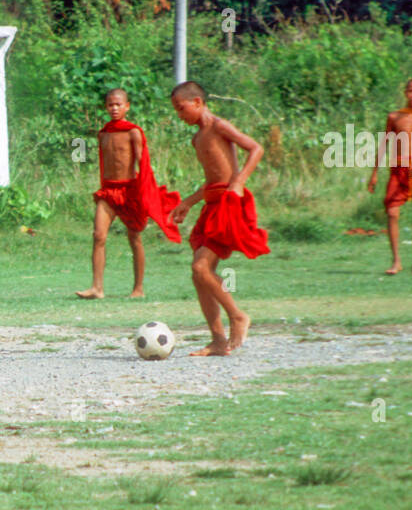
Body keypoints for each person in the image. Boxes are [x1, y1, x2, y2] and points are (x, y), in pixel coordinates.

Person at [168, 80, 269, 356]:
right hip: (211, 204)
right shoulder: (197, 137)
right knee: (199, 274)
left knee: (202, 268)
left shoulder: (219, 126)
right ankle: (217, 340)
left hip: (229, 203)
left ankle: (238, 315)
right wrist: (188, 202)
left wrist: (239, 181)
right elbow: (212, 179)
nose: (180, 115)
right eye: (176, 110)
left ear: (198, 102)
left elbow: (256, 148)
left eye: (181, 108)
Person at [76, 88, 181, 299]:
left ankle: (138, 289)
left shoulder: (133, 131)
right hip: (109, 191)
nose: (114, 108)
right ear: (105, 107)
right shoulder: (103, 133)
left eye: (118, 105)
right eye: (110, 105)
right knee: (98, 236)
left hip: (130, 189)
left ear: (127, 106)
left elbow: (143, 163)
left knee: (134, 237)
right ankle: (97, 288)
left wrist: (145, 192)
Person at [369, 79, 412, 276]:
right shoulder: (394, 116)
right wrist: (374, 173)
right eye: (410, 91)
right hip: (398, 168)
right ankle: (396, 261)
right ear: (405, 93)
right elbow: (384, 145)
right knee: (391, 212)